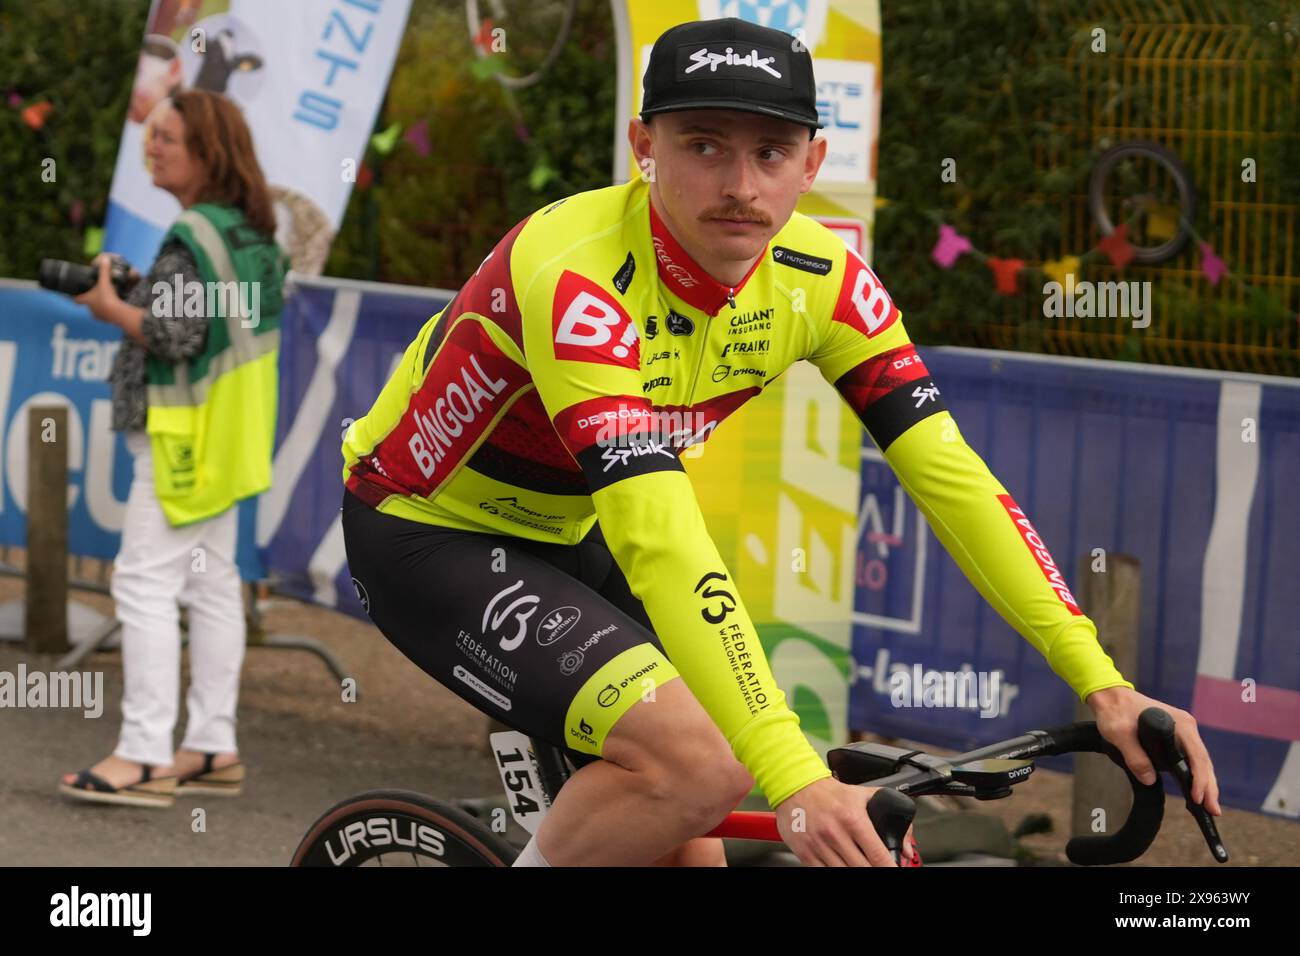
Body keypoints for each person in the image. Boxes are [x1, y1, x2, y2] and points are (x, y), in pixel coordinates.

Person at [340, 18, 1220, 866]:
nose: (740, 185)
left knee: (696, 827)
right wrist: (795, 775)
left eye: (770, 152)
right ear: (644, 145)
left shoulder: (822, 282)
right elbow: (659, 534)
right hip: (432, 531)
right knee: (706, 765)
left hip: (572, 534)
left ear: (812, 165)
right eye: (704, 145)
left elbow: (952, 479)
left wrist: (1101, 682)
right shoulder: (574, 270)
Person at [60, 89, 286, 807]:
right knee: (212, 581)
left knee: (143, 582)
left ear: (208, 153)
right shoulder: (251, 235)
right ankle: (211, 746)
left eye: (168, 139)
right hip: (232, 434)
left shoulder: (193, 234)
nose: (152, 146)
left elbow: (174, 337)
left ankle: (145, 754)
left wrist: (108, 307)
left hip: (182, 434)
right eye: (151, 135)